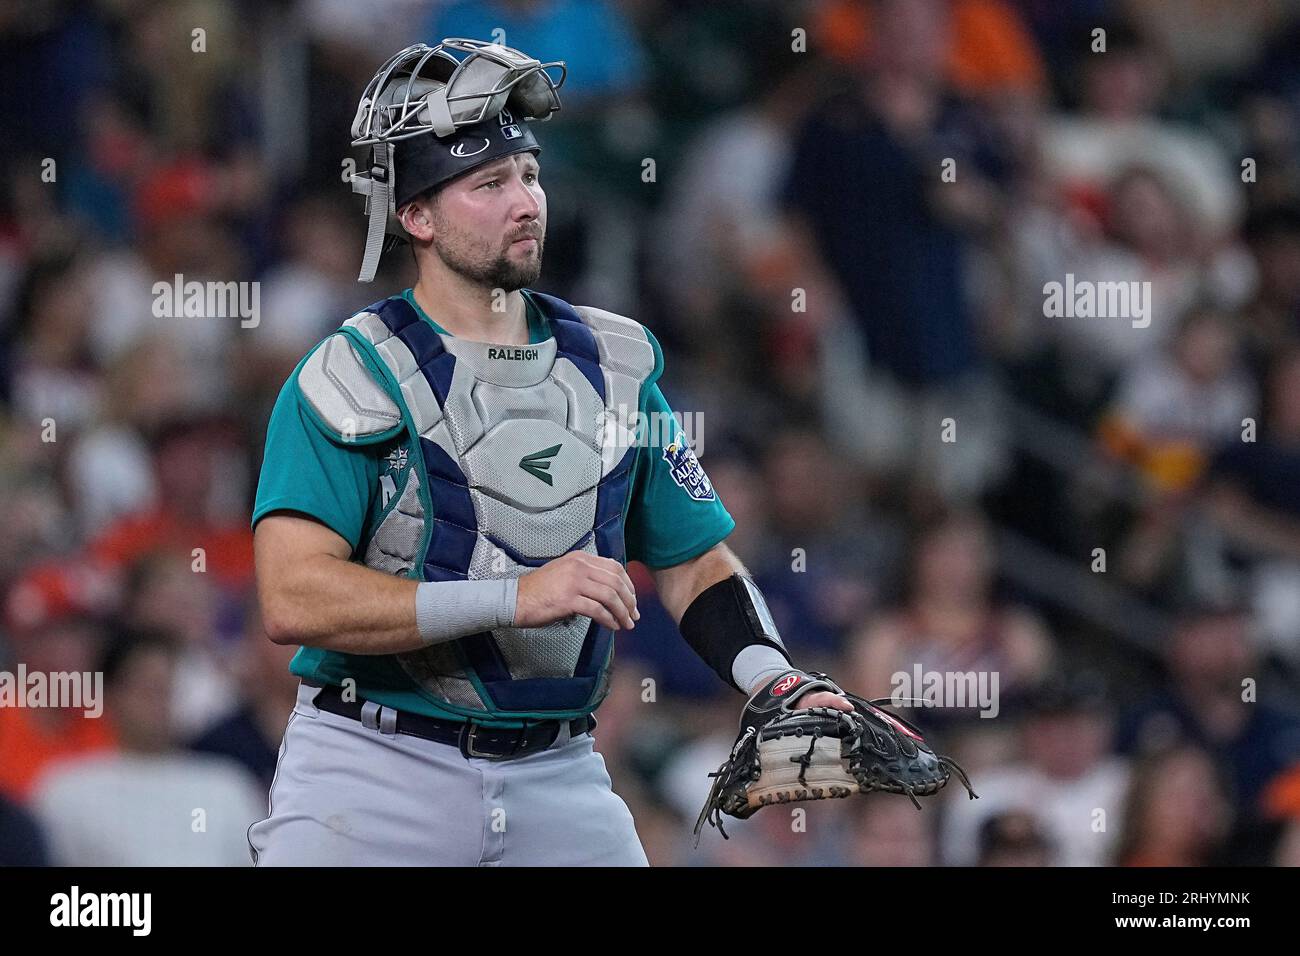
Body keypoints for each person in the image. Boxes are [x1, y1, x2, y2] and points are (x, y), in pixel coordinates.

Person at [247, 38, 857, 867]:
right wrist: (511, 596)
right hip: (372, 766)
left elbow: (694, 562)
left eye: (529, 174)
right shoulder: (350, 373)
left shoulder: (614, 362)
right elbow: (293, 597)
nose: (526, 200)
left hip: (556, 768)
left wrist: (772, 677)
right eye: (489, 184)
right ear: (416, 215)